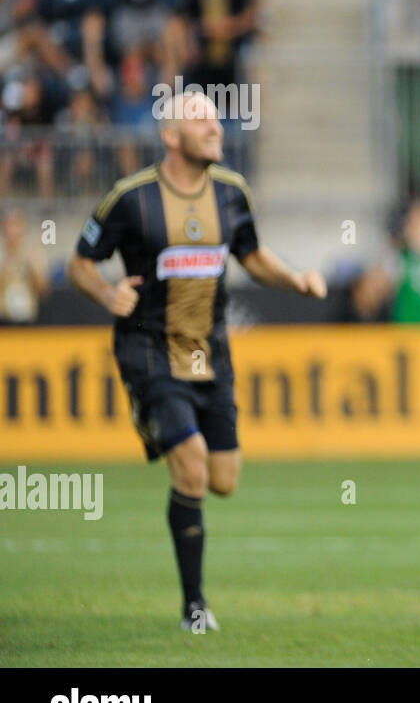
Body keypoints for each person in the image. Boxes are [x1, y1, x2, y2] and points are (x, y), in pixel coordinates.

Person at [67, 91, 328, 632]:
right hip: (149, 350)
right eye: (200, 119)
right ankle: (194, 608)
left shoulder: (232, 193)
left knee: (223, 479)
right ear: (170, 136)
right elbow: (79, 263)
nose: (215, 127)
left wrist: (296, 278)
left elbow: (251, 255)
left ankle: (186, 496)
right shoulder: (131, 198)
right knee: (189, 461)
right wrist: (105, 293)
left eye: (215, 118)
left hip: (212, 352)